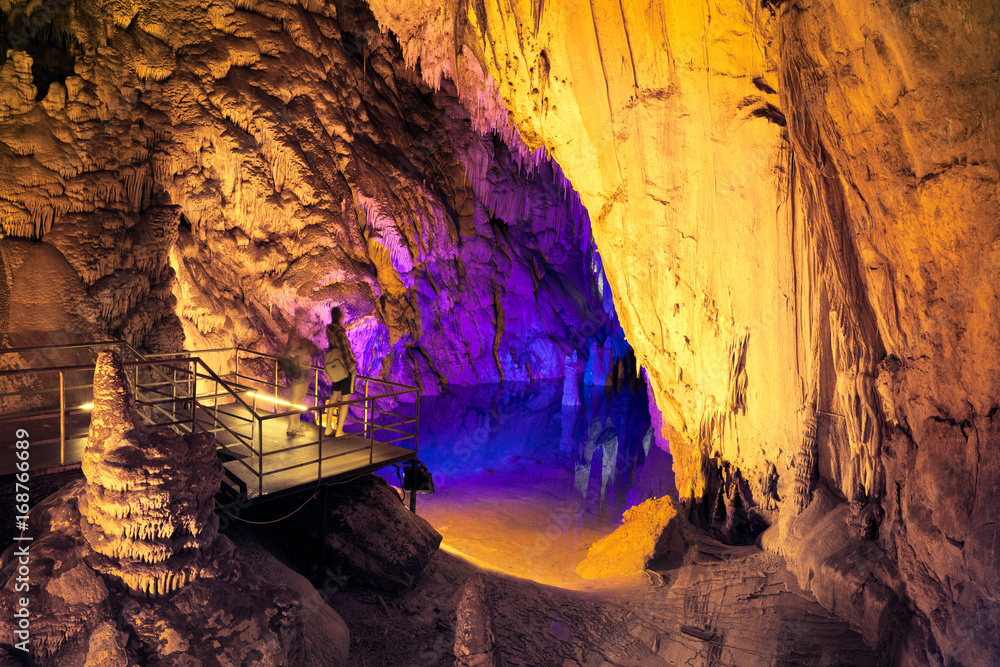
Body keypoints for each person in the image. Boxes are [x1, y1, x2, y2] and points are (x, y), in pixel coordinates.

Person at [323, 307, 357, 437]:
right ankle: (339, 431)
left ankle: (327, 429)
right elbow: (345, 352)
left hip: (335, 367)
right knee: (344, 401)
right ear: (340, 317)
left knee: (333, 398)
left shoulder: (329, 329)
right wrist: (352, 369)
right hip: (343, 369)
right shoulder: (340, 333)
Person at [279, 327, 315, 436]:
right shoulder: (300, 350)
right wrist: (294, 365)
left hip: (305, 376)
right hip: (299, 376)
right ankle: (291, 426)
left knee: (299, 400)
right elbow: (288, 354)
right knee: (295, 400)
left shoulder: (306, 350)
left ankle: (297, 423)